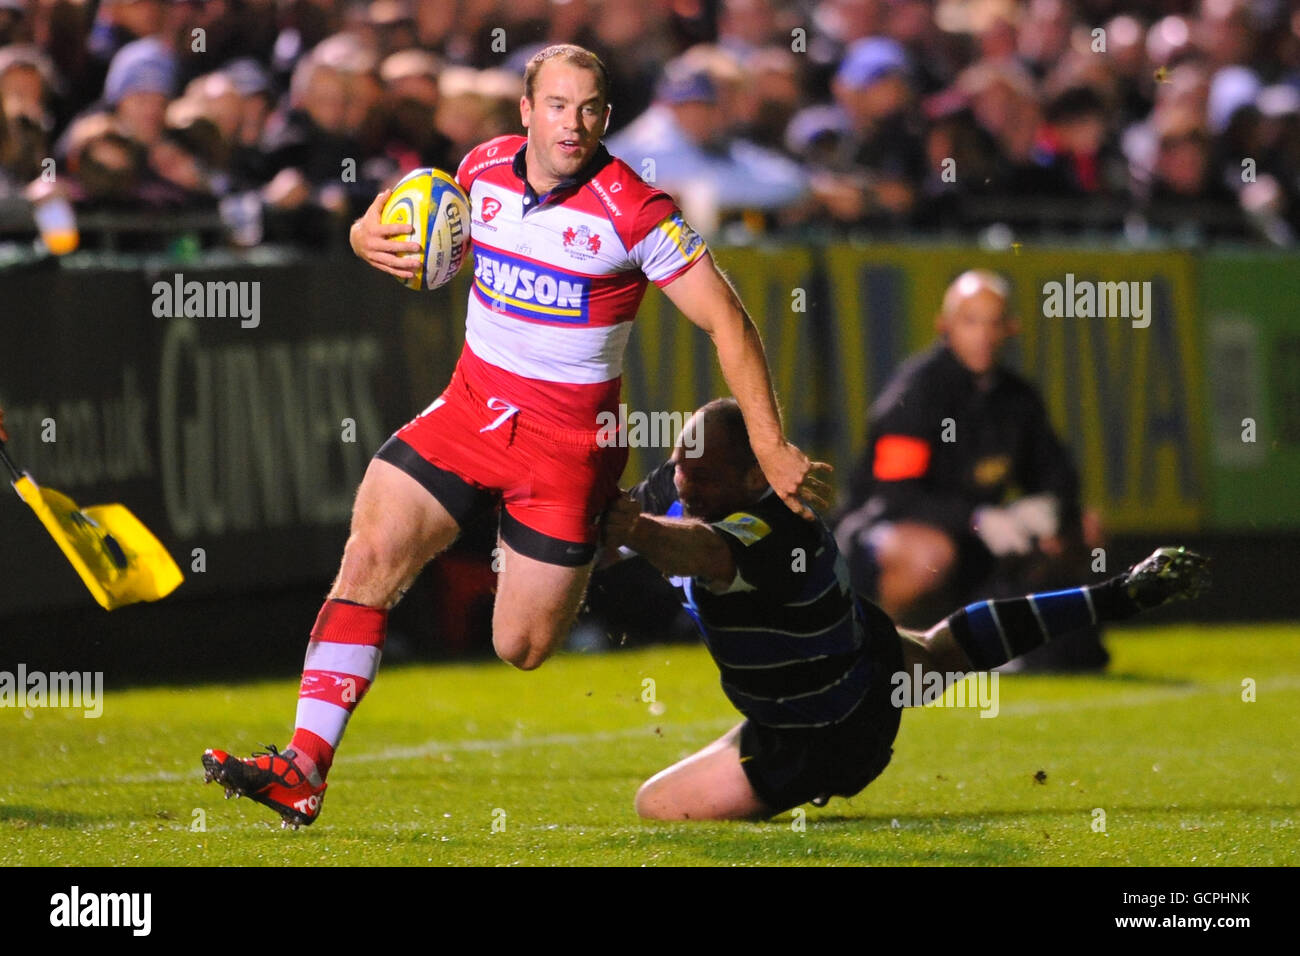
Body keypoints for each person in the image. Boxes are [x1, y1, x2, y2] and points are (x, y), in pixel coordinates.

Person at [202, 43, 829, 828]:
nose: (574, 124)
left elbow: (727, 321)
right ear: (527, 111)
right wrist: (367, 234)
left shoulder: (635, 210)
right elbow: (395, 213)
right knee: (369, 556)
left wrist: (770, 445)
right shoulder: (482, 169)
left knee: (521, 647)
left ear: (607, 116)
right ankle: (302, 765)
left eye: (591, 108)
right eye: (558, 106)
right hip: (468, 412)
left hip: (566, 451)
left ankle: (613, 526)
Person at [603, 398, 1209, 820]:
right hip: (853, 660)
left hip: (821, 735)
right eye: (679, 465)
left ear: (753, 475)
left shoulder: (771, 528)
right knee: (937, 654)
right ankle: (1123, 593)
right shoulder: (693, 477)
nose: (683, 484)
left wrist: (624, 524)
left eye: (702, 475)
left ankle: (792, 783)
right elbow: (617, 530)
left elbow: (688, 547)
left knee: (655, 805)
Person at [834, 269, 1108, 673]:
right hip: (881, 534)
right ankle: (877, 646)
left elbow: (1057, 472)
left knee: (1084, 529)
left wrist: (1049, 510)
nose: (982, 334)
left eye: (993, 323)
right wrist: (977, 518)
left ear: (1010, 329)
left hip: (972, 538)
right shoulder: (917, 391)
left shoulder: (1017, 398)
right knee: (930, 555)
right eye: (970, 321)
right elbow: (894, 494)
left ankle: (1003, 640)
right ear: (945, 327)